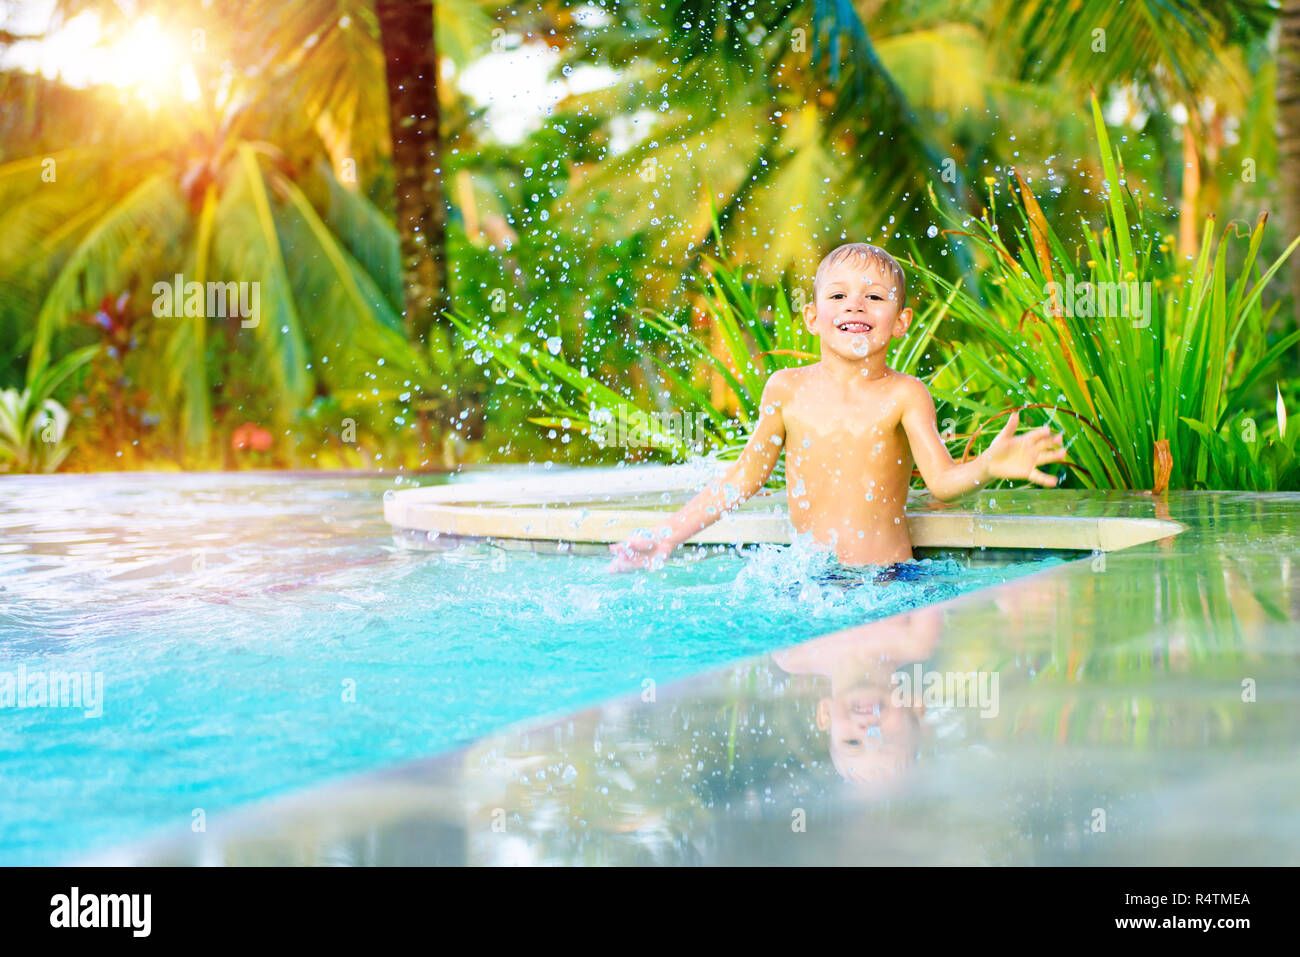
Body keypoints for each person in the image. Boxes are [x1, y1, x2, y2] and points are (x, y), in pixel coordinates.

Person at [609, 242, 1066, 571]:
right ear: (812, 317)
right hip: (808, 582)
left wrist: (989, 464)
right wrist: (668, 535)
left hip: (888, 580)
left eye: (873, 297)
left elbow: (942, 482)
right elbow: (740, 482)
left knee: (906, 675)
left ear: (901, 321)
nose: (856, 306)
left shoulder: (905, 394)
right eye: (838, 295)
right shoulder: (786, 389)